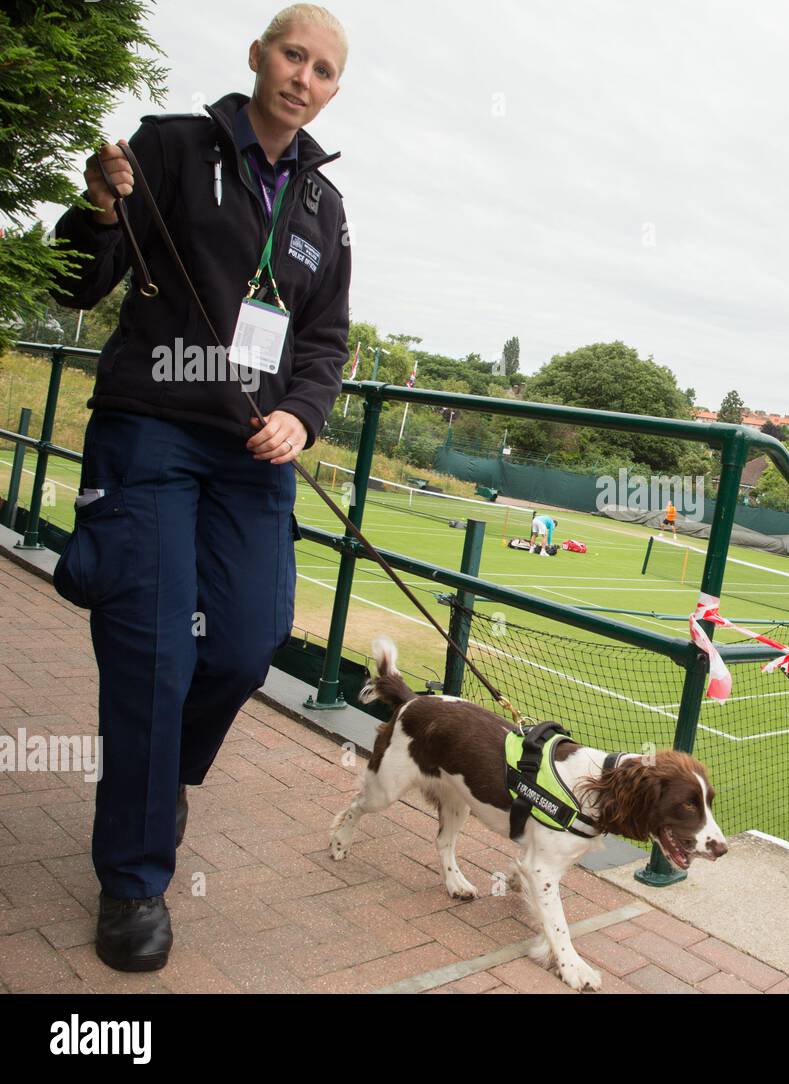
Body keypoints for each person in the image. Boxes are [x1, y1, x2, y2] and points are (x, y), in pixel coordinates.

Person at [50, 3, 351, 972]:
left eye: (324, 70)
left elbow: (324, 343)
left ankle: (157, 771)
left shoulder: (323, 209)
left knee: (251, 637)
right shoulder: (173, 147)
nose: (303, 77)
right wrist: (99, 207)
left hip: (251, 455)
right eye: (292, 55)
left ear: (333, 90)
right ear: (259, 56)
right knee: (151, 655)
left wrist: (302, 415)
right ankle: (134, 878)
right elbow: (82, 279)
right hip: (150, 431)